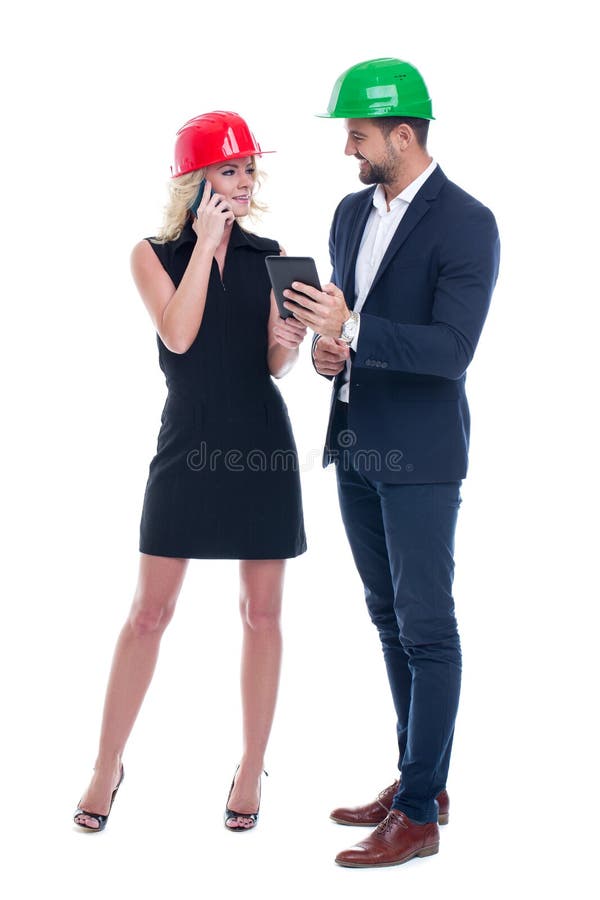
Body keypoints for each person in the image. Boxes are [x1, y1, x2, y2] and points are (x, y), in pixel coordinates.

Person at [283, 58, 500, 867]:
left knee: (427, 626)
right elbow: (346, 324)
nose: (348, 149)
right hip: (356, 439)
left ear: (402, 135)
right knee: (386, 618)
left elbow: (451, 351)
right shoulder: (349, 213)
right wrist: (329, 352)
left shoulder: (467, 222)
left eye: (358, 135)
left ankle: (418, 815)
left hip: (422, 452)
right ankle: (423, 777)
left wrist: (360, 330)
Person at [73, 111, 307, 834]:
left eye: (246, 171)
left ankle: (249, 765)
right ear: (194, 180)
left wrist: (287, 342)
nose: (240, 183)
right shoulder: (152, 253)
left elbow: (271, 365)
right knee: (149, 613)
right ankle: (105, 765)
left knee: (261, 614)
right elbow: (179, 334)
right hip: (186, 446)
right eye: (226, 171)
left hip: (260, 444)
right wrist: (205, 247)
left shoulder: (273, 255)